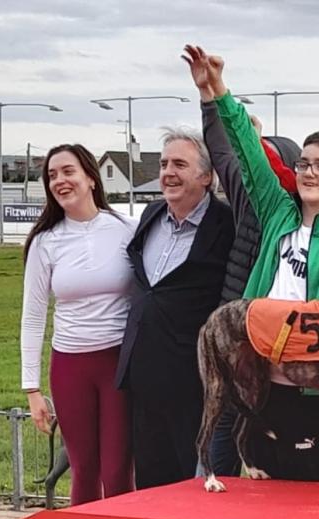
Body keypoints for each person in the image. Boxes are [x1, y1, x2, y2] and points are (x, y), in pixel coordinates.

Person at [184, 44, 319, 482]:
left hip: (311, 390)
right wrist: (217, 89)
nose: (308, 172)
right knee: (258, 493)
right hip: (257, 380)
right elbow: (247, 150)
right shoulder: (277, 213)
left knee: (304, 492)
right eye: (304, 163)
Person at [188, 61, 301, 479]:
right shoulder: (248, 197)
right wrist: (208, 97)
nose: (252, 166)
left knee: (265, 442)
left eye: (262, 157)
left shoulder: (304, 220)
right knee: (221, 430)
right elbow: (221, 149)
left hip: (278, 348)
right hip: (238, 339)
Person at [113, 127, 236, 490]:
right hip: (144, 374)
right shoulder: (151, 216)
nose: (168, 172)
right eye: (165, 163)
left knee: (193, 483)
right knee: (151, 482)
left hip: (195, 378)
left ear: (206, 175)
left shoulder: (226, 225)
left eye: (179, 164)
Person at [20, 144, 136, 505]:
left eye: (67, 171)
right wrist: (32, 390)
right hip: (70, 366)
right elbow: (34, 315)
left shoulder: (126, 229)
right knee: (85, 468)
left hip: (119, 365)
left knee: (117, 468)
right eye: (52, 176)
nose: (60, 181)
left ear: (90, 177)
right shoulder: (45, 242)